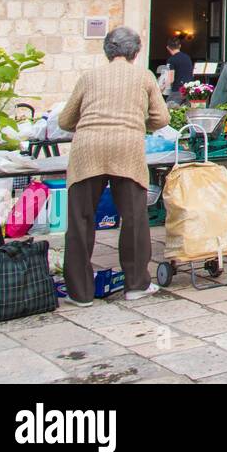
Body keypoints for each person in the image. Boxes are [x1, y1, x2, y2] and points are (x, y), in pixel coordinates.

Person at [57, 27, 169, 306]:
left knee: (80, 220)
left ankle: (80, 293)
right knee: (133, 217)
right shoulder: (144, 77)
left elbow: (65, 120)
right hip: (127, 147)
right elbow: (162, 118)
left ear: (108, 50)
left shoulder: (90, 76)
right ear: (135, 51)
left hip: (88, 148)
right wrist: (137, 122)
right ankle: (135, 284)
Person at [163, 38, 193, 102]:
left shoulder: (171, 60)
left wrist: (161, 88)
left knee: (170, 109)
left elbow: (171, 79)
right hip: (189, 90)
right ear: (180, 46)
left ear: (168, 47)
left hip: (177, 91)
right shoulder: (187, 57)